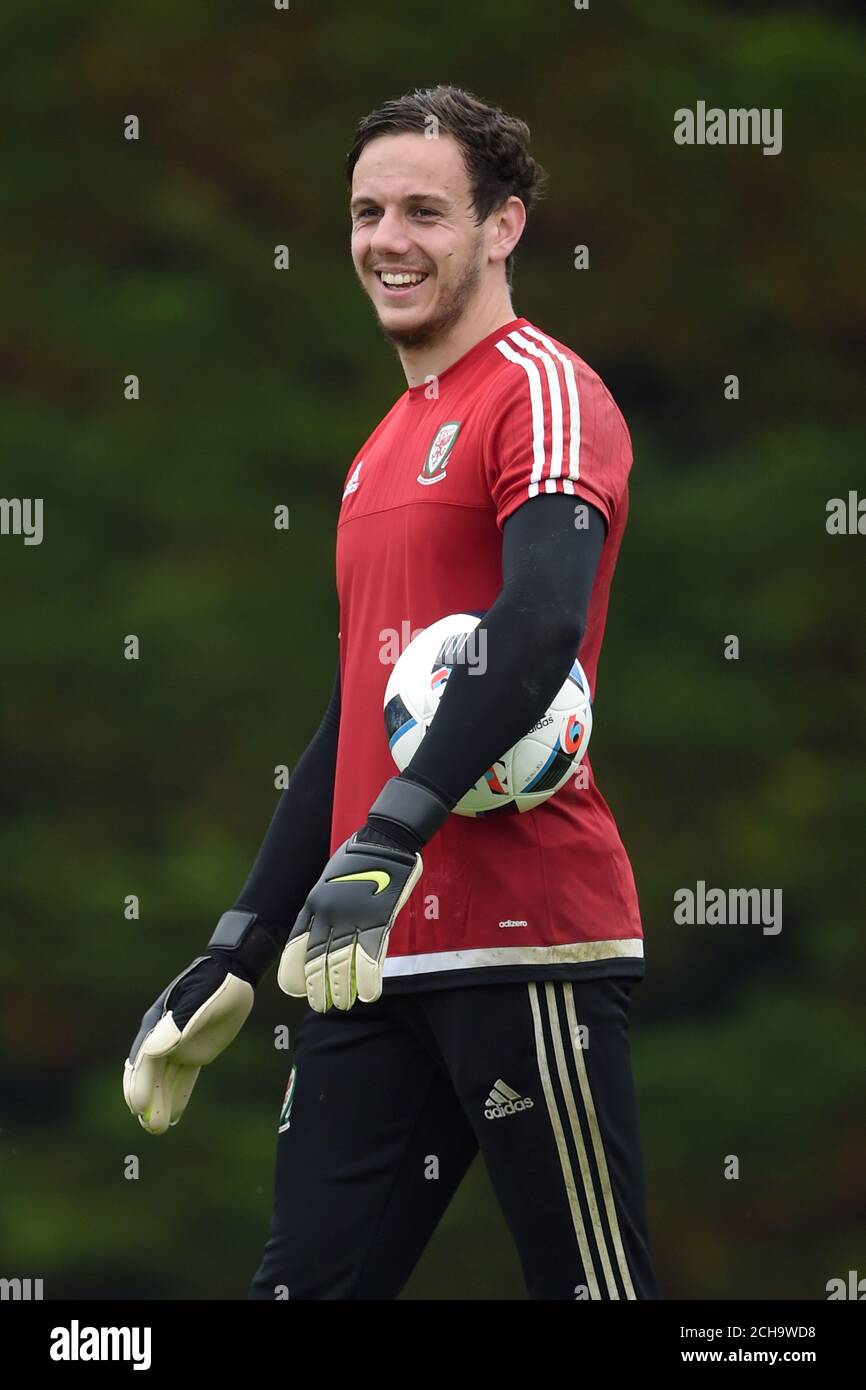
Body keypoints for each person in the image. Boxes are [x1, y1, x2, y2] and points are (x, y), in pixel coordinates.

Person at [124, 83, 660, 1302]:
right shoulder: (378, 446)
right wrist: (240, 944)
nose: (387, 240)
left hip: (529, 943)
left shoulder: (544, 391)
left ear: (503, 227)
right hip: (360, 962)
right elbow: (353, 717)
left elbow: (536, 631)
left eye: (425, 210)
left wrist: (389, 833)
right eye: (367, 212)